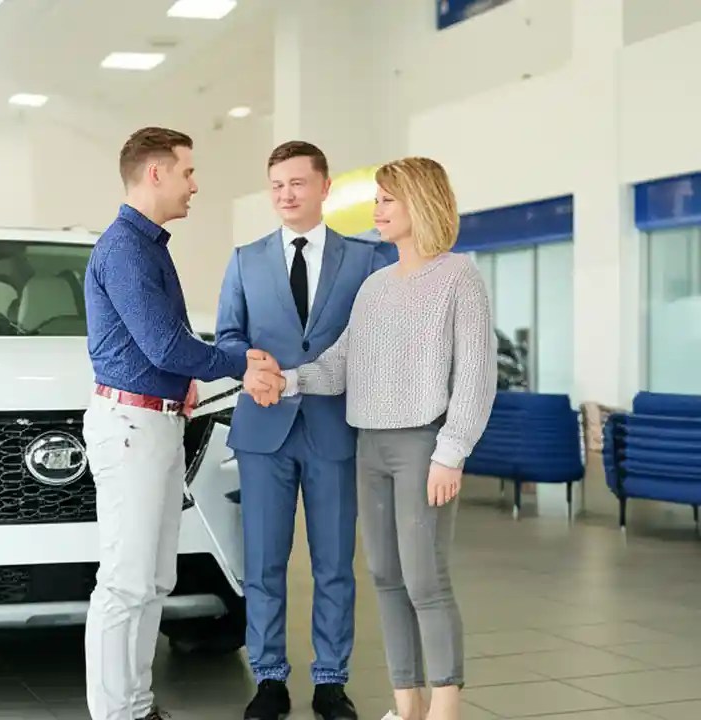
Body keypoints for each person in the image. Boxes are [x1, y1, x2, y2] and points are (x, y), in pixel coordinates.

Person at [247, 156, 496, 720]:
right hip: (370, 444)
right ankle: (407, 706)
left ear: (420, 202)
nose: (376, 210)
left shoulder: (459, 277)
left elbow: (476, 376)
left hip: (423, 446)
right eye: (377, 199)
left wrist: (451, 452)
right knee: (385, 575)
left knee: (425, 579)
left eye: (387, 199)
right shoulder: (375, 287)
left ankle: (445, 708)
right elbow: (340, 365)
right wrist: (287, 381)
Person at [214, 141, 394, 720]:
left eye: (296, 182)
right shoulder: (245, 259)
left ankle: (331, 681)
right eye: (276, 185)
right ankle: (269, 678)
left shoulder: (365, 258)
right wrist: (253, 364)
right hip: (262, 429)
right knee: (264, 562)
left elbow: (378, 338)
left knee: (334, 563)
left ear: (324, 187)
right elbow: (228, 337)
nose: (285, 194)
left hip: (333, 426)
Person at [83, 126, 249, 720]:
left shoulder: (148, 246)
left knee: (152, 580)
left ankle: (136, 705)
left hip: (155, 424)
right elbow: (165, 346)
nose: (194, 185)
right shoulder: (126, 250)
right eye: (188, 172)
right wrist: (241, 362)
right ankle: (115, 713)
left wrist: (185, 379)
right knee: (125, 583)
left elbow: (161, 345)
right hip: (132, 429)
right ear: (155, 173)